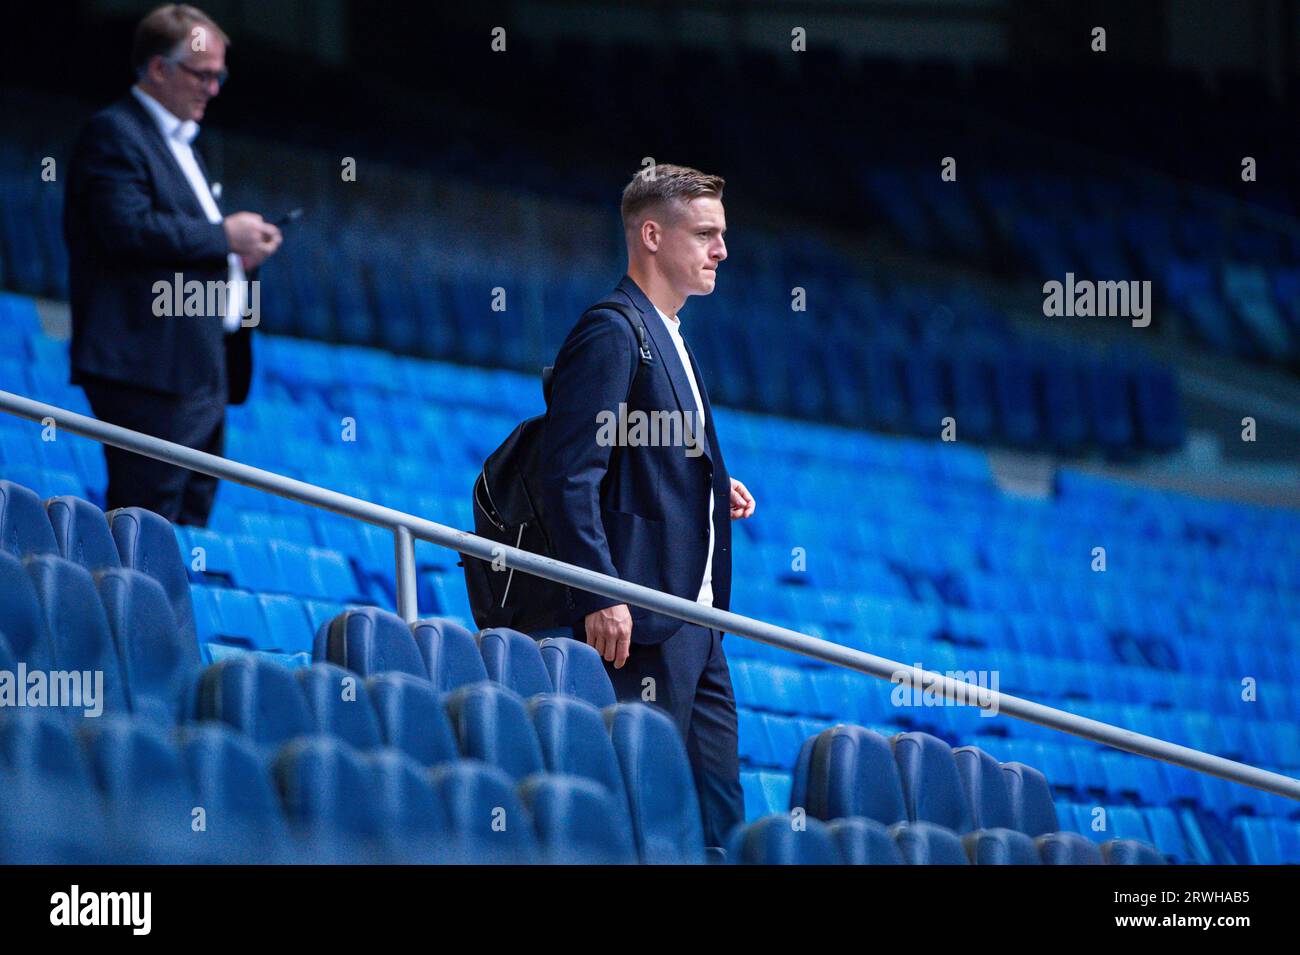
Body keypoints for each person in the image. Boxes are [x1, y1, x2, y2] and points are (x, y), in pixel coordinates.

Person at [537, 163, 755, 849]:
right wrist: (600, 592)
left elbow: (644, 455)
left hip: (697, 622)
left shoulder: (672, 332)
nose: (721, 249)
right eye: (706, 234)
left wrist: (714, 488)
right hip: (638, 621)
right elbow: (568, 473)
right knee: (639, 815)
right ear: (653, 234)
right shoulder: (613, 328)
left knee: (719, 820)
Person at [64, 3, 281, 526]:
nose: (214, 88)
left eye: (220, 75)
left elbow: (181, 246)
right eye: (203, 74)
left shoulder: (184, 143)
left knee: (187, 522)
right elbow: (124, 230)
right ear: (158, 68)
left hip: (201, 367)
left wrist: (238, 257)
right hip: (149, 369)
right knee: (147, 524)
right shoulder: (114, 133)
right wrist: (222, 235)